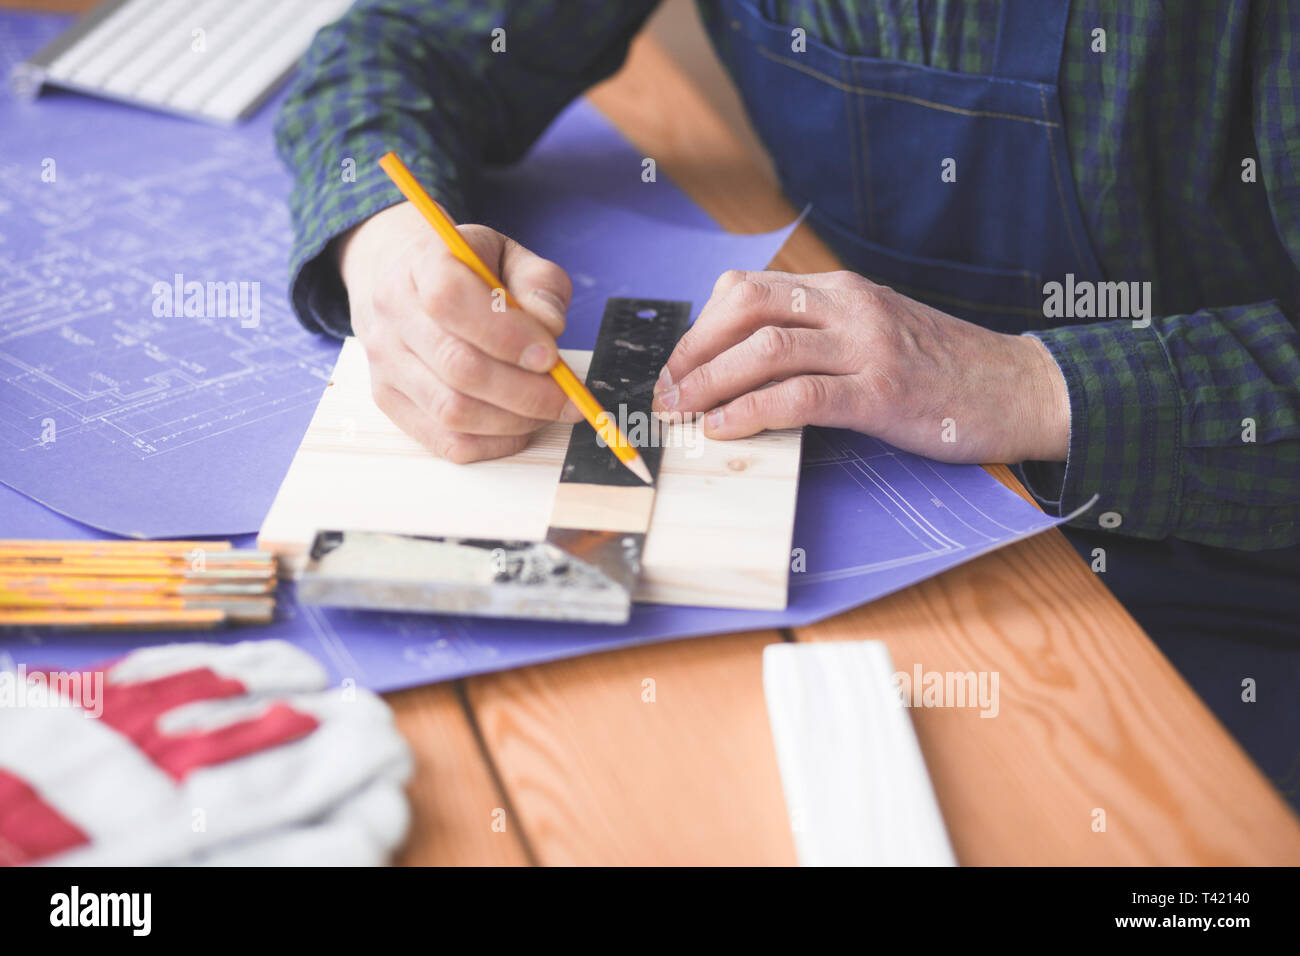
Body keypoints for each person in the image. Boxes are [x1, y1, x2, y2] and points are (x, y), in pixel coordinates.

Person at [274, 1, 1300, 802]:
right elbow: (395, 42)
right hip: (856, 504)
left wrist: (1019, 382)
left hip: (1224, 567)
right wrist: (389, 245)